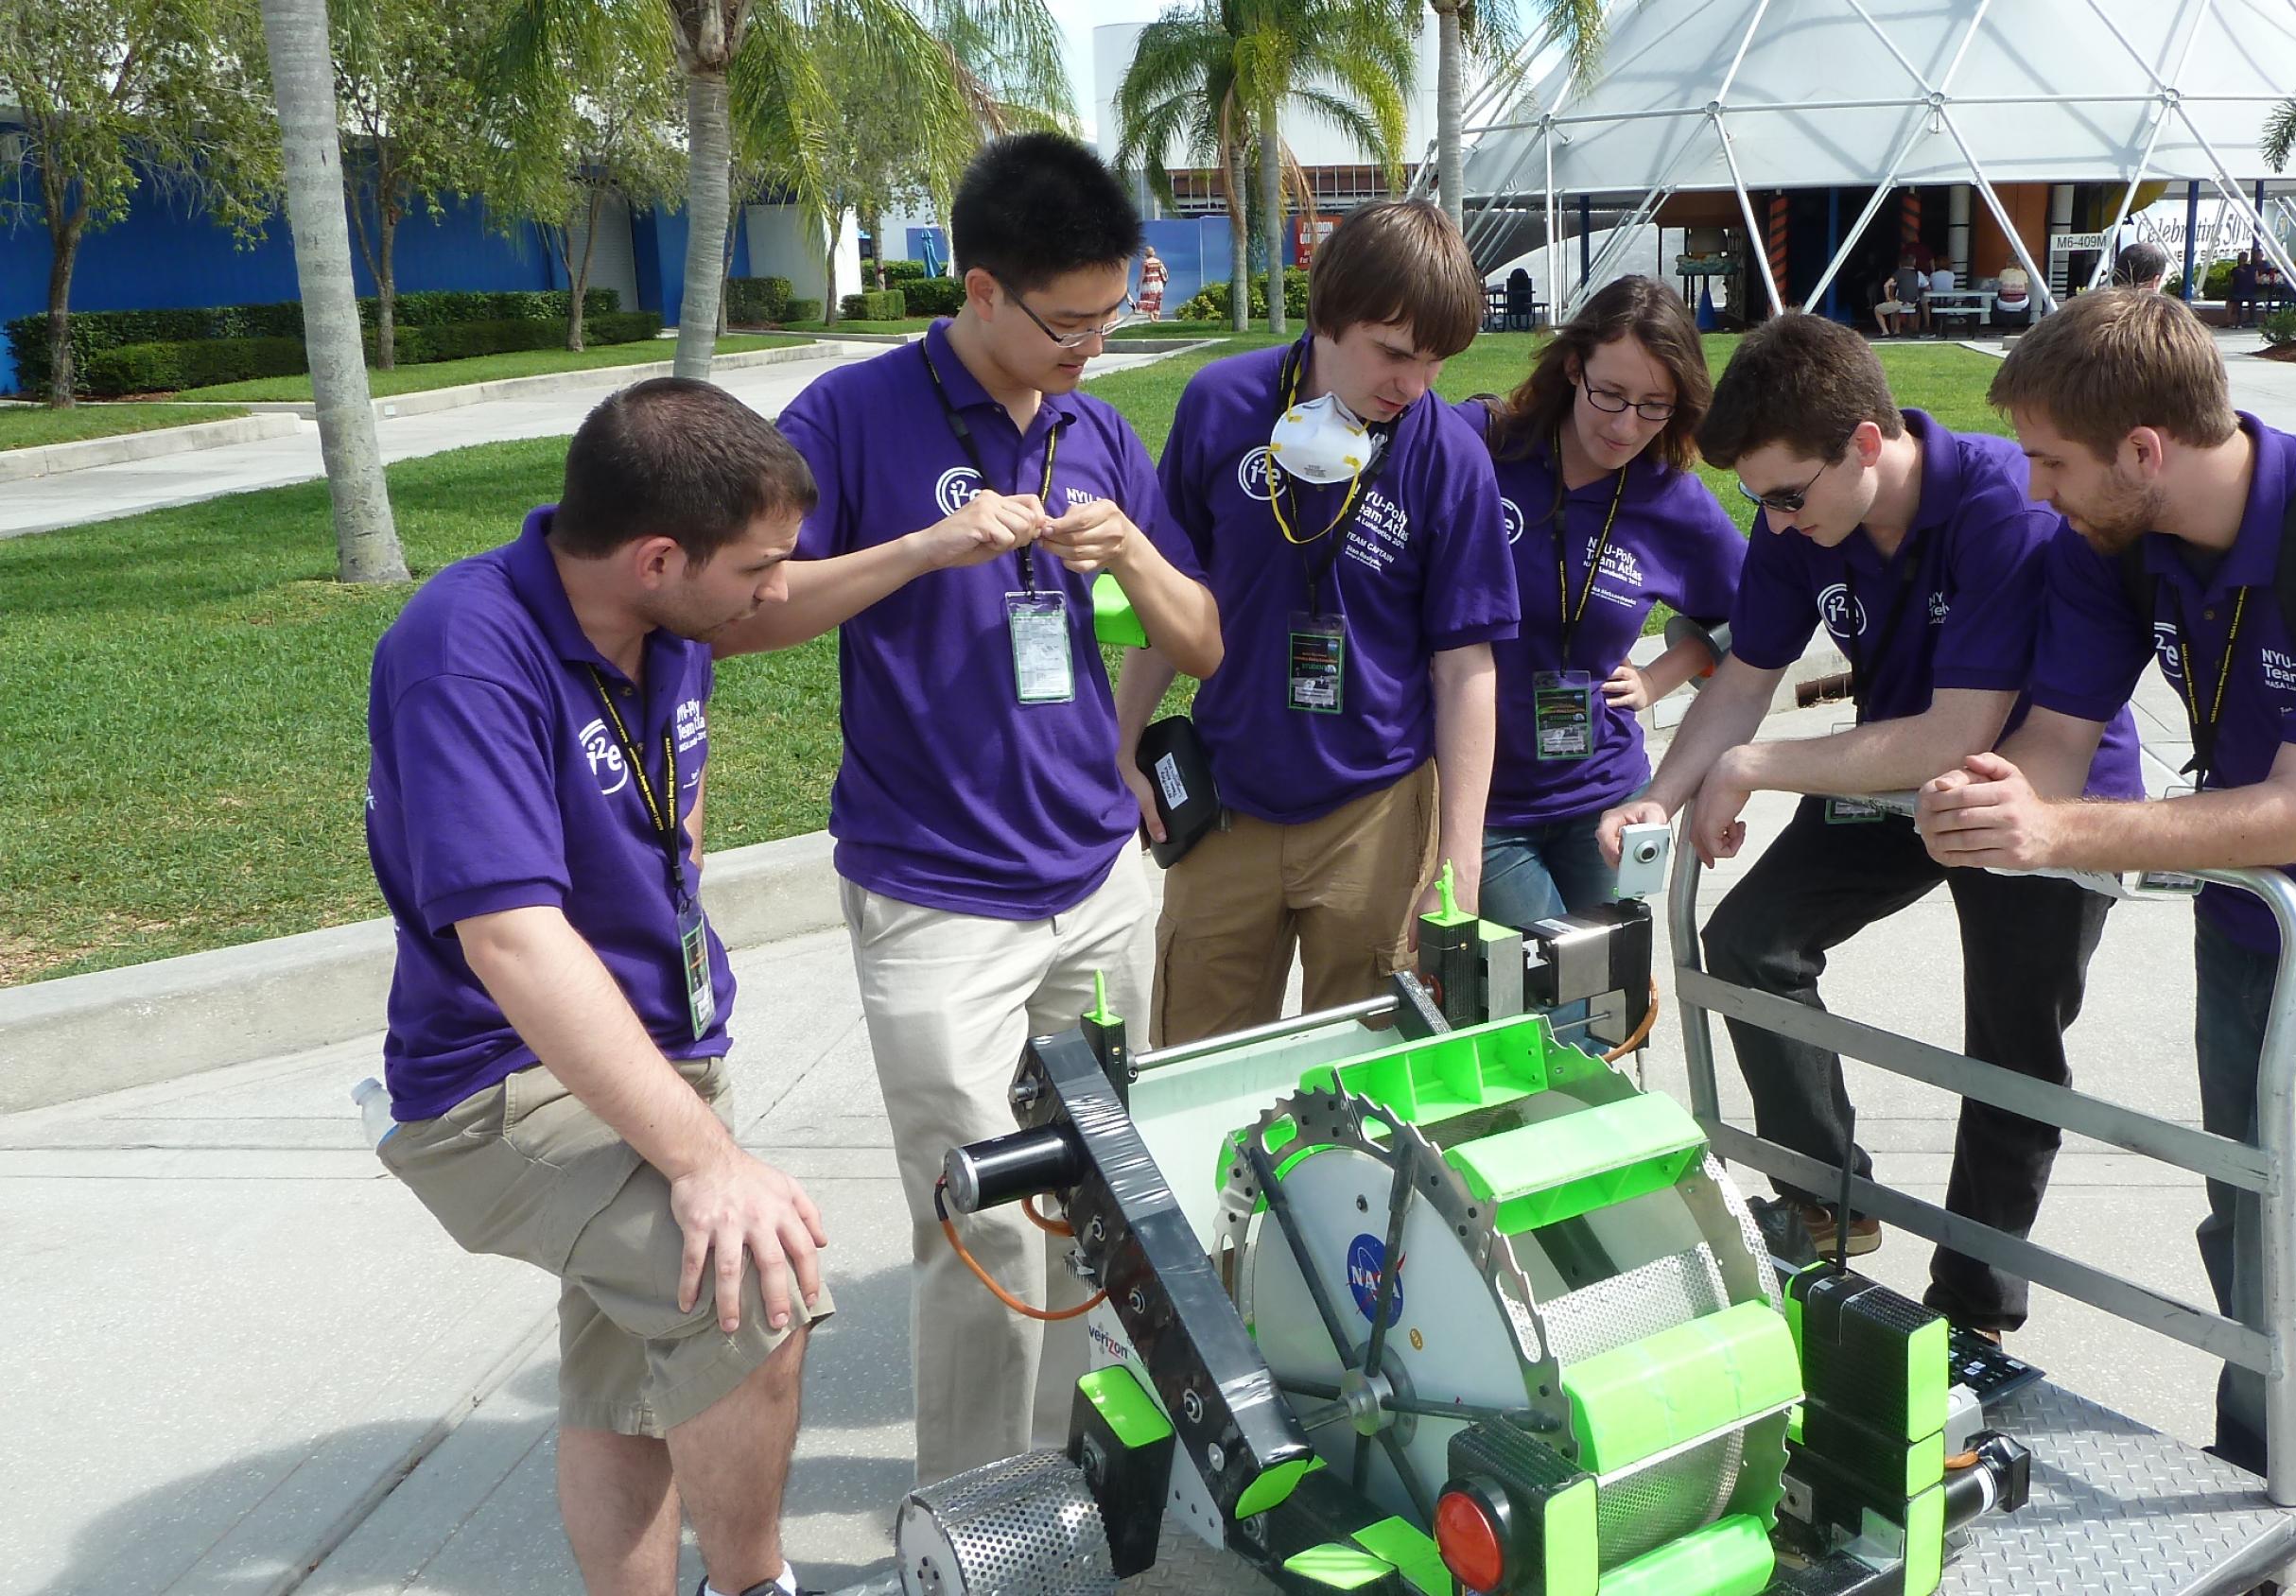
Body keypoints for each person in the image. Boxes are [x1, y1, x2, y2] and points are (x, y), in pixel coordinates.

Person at [1917, 288, 2296, 1540]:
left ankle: (2283, 1500)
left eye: (2051, 461)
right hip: (2251, 912)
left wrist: (2052, 835)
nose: (2035, 491)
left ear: (2144, 450)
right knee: (2245, 1212)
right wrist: (1988, 797)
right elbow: (2060, 742)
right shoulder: (2111, 540)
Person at [740, 130, 1223, 1487]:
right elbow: (744, 608)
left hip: (1096, 878)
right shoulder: (850, 416)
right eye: (1069, 323)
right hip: (935, 894)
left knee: (1096, 1202)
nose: (1093, 346)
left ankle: (1068, 1480)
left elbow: (1200, 641)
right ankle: (974, 1510)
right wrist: (921, 548)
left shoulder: (1097, 429)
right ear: (982, 289)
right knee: (982, 1221)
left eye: (1113, 316)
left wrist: (1133, 551)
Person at [365, 377, 829, 1596]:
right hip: (502, 1086)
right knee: (751, 1298)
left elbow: (670, 819)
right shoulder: (465, 653)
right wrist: (707, 1159)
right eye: (761, 567)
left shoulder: (664, 625)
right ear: (658, 557)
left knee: (628, 1383)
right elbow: (512, 941)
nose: (779, 592)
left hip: (645, 1052)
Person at [1597, 314, 2140, 1332]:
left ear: (1863, 444)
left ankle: (1973, 1314)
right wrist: (1660, 797)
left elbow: (1958, 732)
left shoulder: (2000, 505)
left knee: (2011, 1055)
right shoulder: (1799, 519)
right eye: (1758, 501)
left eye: (1787, 497)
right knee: (1749, 943)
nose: (1775, 523)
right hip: (1896, 771)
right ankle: (1826, 1197)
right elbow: (1743, 680)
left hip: (2037, 790)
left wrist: (1755, 768)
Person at [1121, 200, 1518, 1047]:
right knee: (1197, 1058)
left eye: (1437, 362)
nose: (1413, 385)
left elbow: (1465, 667)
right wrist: (1118, 746)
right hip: (1229, 801)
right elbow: (1169, 596)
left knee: (1367, 1064)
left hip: (1376, 809)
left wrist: (1460, 859)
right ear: (1328, 314)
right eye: (1394, 352)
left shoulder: (1449, 456)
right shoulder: (1221, 404)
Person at [1460, 275, 1747, 972]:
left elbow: (1759, 611)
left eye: (1654, 407)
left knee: (1612, 996)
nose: (1625, 427)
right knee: (1550, 997)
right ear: (1572, 367)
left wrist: (1662, 675)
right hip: (1488, 807)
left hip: (1607, 799)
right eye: (1610, 394)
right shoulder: (1486, 446)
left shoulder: (1672, 501)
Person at [1138, 244, 1167, 321]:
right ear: (1153, 252)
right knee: (1157, 299)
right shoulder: (1158, 262)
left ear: (1146, 253)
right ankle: (1156, 317)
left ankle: (1152, 319)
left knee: (1148, 300)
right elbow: (1163, 272)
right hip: (1158, 282)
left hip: (1148, 283)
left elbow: (1142, 275)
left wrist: (1138, 284)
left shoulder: (1145, 262)